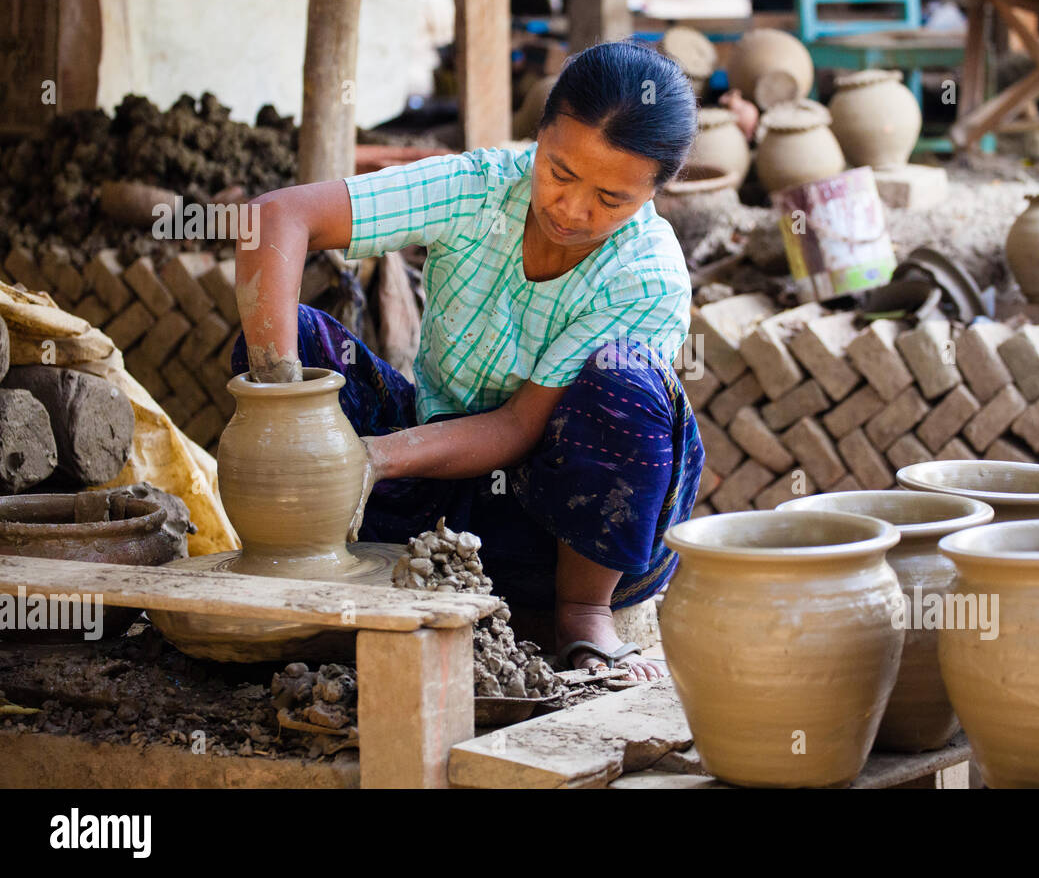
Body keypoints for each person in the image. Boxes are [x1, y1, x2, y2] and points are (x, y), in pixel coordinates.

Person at [231, 41, 703, 681]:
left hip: (559, 527)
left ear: (656, 191)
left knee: (625, 379)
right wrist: (285, 399)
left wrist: (369, 458)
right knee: (296, 346)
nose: (572, 209)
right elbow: (276, 217)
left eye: (611, 198)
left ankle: (582, 619)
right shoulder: (480, 187)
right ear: (537, 136)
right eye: (559, 173)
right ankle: (301, 555)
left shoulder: (646, 276)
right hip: (437, 503)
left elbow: (516, 427)